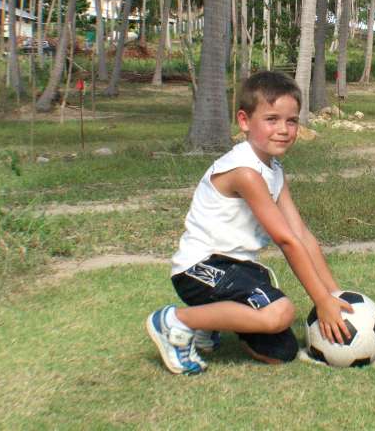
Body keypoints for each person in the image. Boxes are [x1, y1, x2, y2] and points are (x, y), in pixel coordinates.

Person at [146, 70, 353, 375]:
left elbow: (301, 234)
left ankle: (209, 321)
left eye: (292, 120)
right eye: (272, 119)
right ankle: (175, 321)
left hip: (238, 269)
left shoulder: (274, 169)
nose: (283, 129)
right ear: (244, 121)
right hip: (199, 270)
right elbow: (286, 240)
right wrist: (319, 300)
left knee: (282, 352)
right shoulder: (245, 172)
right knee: (280, 311)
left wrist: (336, 296)